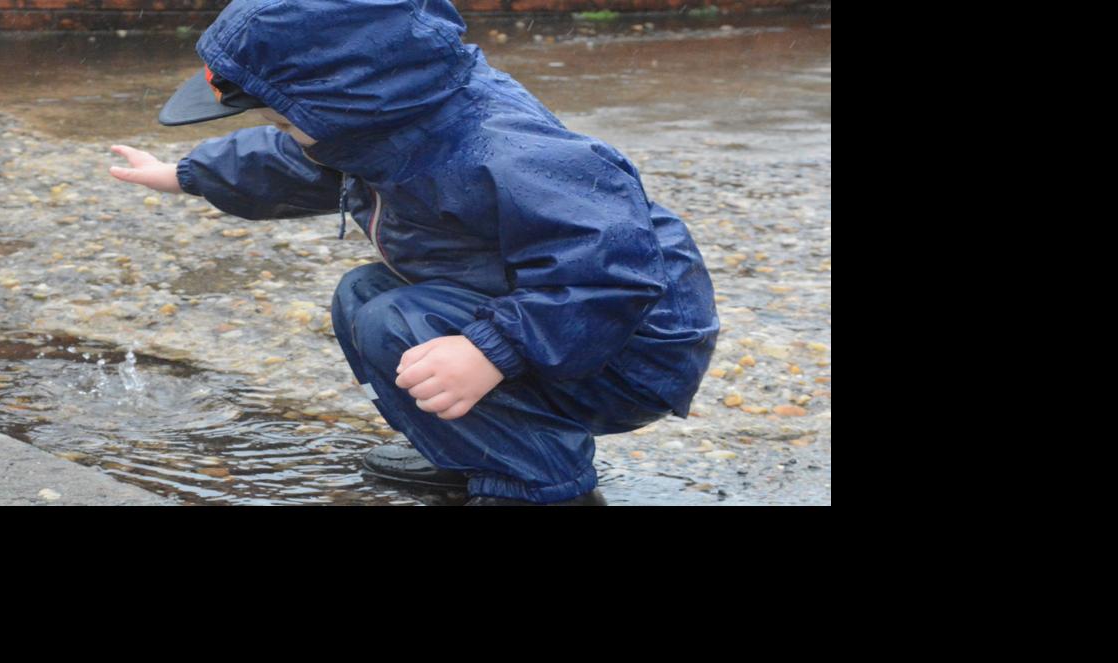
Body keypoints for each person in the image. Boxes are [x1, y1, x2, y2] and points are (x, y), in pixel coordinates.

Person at [108, 0, 718, 505]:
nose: (291, 134)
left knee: (397, 320)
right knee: (363, 295)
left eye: (291, 121)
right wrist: (186, 174)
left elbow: (612, 270)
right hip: (553, 323)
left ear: (346, 100)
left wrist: (494, 349)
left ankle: (537, 480)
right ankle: (471, 449)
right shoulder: (384, 122)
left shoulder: (505, 151)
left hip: (628, 347)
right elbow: (298, 160)